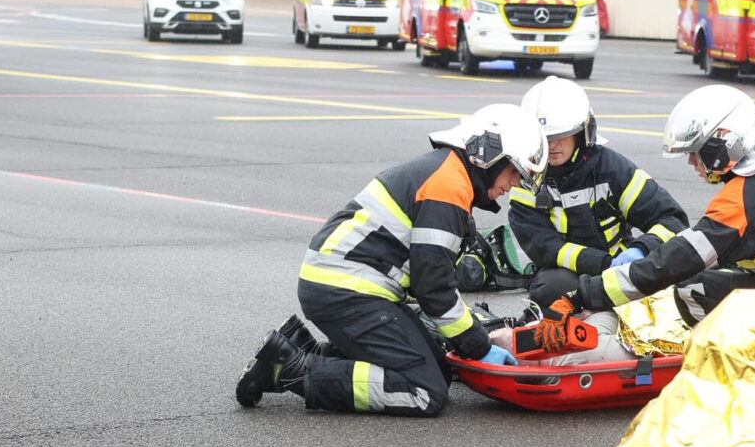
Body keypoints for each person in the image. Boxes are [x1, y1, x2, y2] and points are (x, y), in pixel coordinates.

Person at [526, 83, 755, 399]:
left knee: (692, 288)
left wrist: (581, 295)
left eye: (695, 153)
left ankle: (750, 379)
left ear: (722, 146)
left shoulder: (736, 205)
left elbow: (664, 267)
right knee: (744, 278)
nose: (693, 165)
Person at [234, 104, 546, 414]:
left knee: (437, 367)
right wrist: (480, 346)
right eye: (515, 172)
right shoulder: (447, 186)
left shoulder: (448, 175)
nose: (514, 184)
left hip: (345, 284)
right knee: (424, 390)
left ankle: (302, 349)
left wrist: (471, 338)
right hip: (346, 290)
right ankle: (292, 370)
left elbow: (432, 284)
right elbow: (433, 289)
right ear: (489, 155)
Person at [505, 76, 690, 277]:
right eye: (545, 137)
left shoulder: (613, 169)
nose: (552, 144)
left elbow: (671, 219)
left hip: (623, 271)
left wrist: (641, 250)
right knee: (549, 289)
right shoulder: (525, 178)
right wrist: (604, 264)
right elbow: (543, 246)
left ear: (583, 131)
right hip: (566, 274)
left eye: (561, 135)